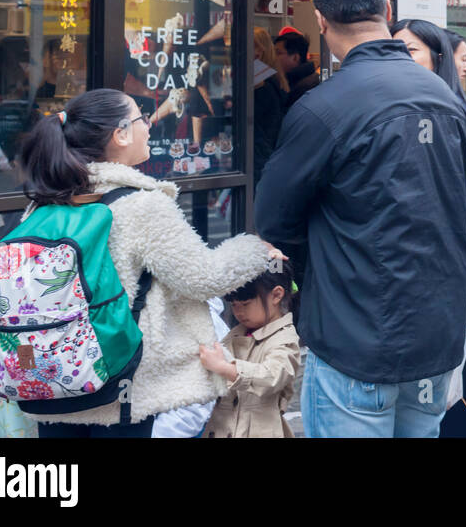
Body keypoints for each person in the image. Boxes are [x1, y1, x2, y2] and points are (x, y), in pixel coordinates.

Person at [256, 0, 466, 438]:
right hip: (435, 332)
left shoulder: (322, 108)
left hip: (353, 335)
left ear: (319, 20)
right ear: (386, 4)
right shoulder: (448, 100)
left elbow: (273, 222)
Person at [17, 89, 278, 437]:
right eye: (142, 118)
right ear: (120, 134)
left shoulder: (43, 205)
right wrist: (256, 249)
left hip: (54, 380)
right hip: (119, 386)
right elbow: (203, 276)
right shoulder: (142, 206)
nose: (150, 127)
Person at [391, 17, 466, 438]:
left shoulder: (448, 112)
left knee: (454, 389)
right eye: (393, 48)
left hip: (452, 273)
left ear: (436, 59)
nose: (400, 57)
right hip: (415, 278)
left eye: (410, 49)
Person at [200, 262, 301, 438]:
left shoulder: (285, 339)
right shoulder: (235, 334)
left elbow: (272, 376)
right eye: (234, 305)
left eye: (245, 304)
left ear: (276, 295)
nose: (238, 312)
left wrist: (225, 368)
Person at [251, 27, 287, 188]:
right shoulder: (273, 79)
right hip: (266, 158)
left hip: (259, 160)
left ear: (259, 52)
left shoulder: (262, 85)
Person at [274, 29, 319, 110]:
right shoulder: (294, 79)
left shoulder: (304, 87)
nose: (273, 57)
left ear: (295, 58)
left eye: (278, 53)